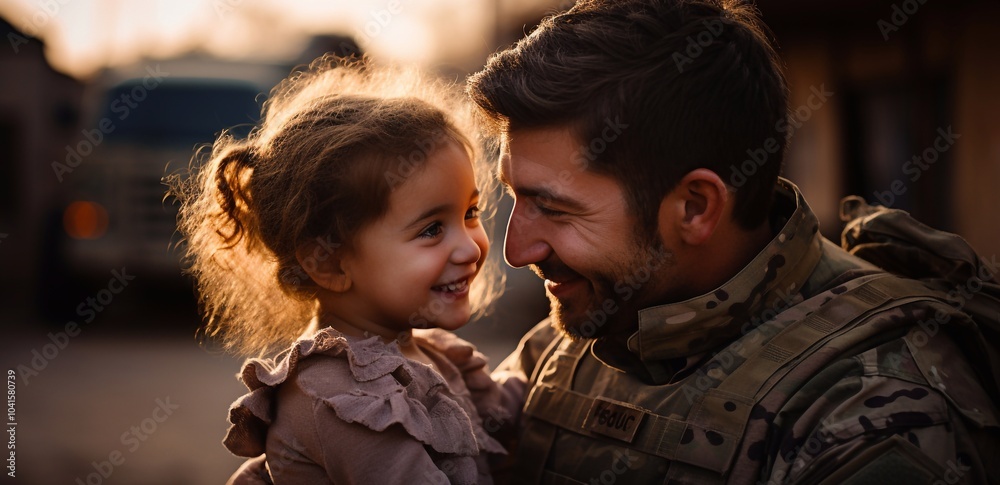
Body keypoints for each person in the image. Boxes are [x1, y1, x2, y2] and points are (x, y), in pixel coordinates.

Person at [465, 0, 999, 483]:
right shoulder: (592, 326)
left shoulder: (873, 410)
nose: (517, 249)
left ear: (696, 207)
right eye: (516, 197)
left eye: (555, 208)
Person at [172, 57, 506, 484]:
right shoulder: (339, 398)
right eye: (432, 229)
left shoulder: (424, 353)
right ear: (328, 262)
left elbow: (518, 424)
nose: (469, 247)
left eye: (471, 212)